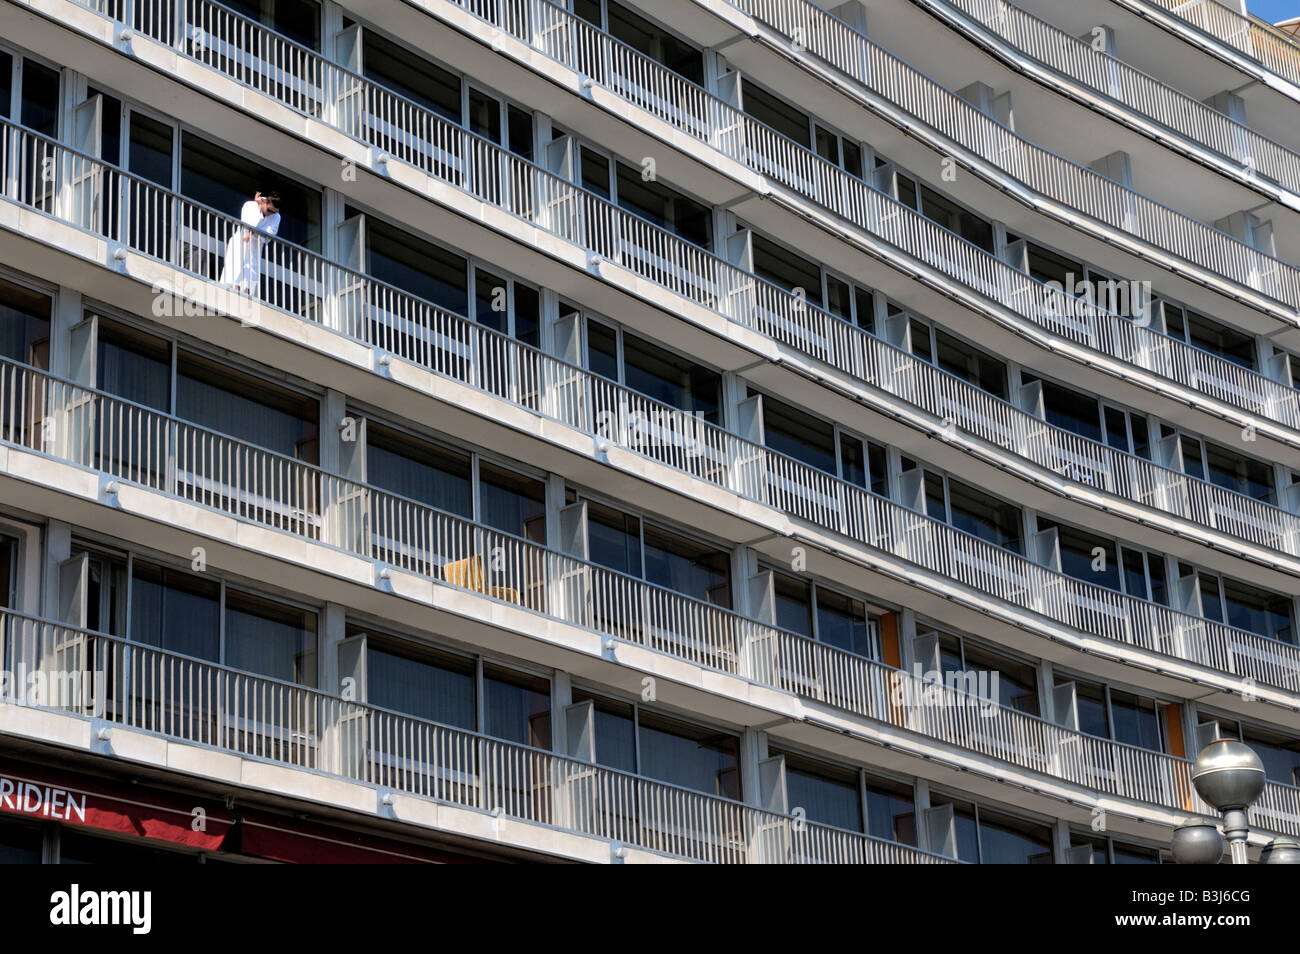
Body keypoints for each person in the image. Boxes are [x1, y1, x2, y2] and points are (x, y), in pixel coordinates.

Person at [219, 190, 282, 294]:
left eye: (274, 212)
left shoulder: (276, 217)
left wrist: (252, 232)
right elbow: (247, 225)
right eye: (269, 210)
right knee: (235, 269)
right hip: (241, 241)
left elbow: (269, 235)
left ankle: (246, 294)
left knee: (250, 275)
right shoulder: (249, 206)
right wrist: (258, 209)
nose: (271, 214)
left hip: (255, 247)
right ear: (264, 203)